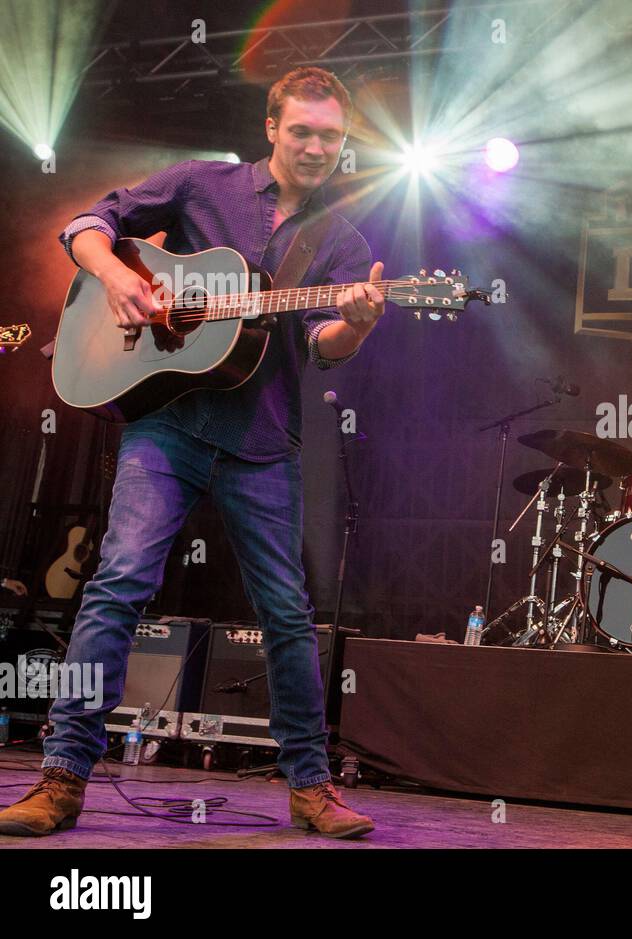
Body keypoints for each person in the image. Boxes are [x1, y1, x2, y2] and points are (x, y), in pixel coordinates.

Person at [0, 67, 380, 839]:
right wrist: (115, 278)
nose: (315, 147)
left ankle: (311, 788)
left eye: (330, 136)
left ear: (344, 143)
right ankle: (63, 775)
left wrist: (359, 323)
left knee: (286, 614)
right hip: (167, 425)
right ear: (272, 127)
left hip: (263, 442)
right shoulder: (201, 184)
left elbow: (325, 345)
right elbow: (86, 224)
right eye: (301, 130)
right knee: (116, 585)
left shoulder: (341, 238)